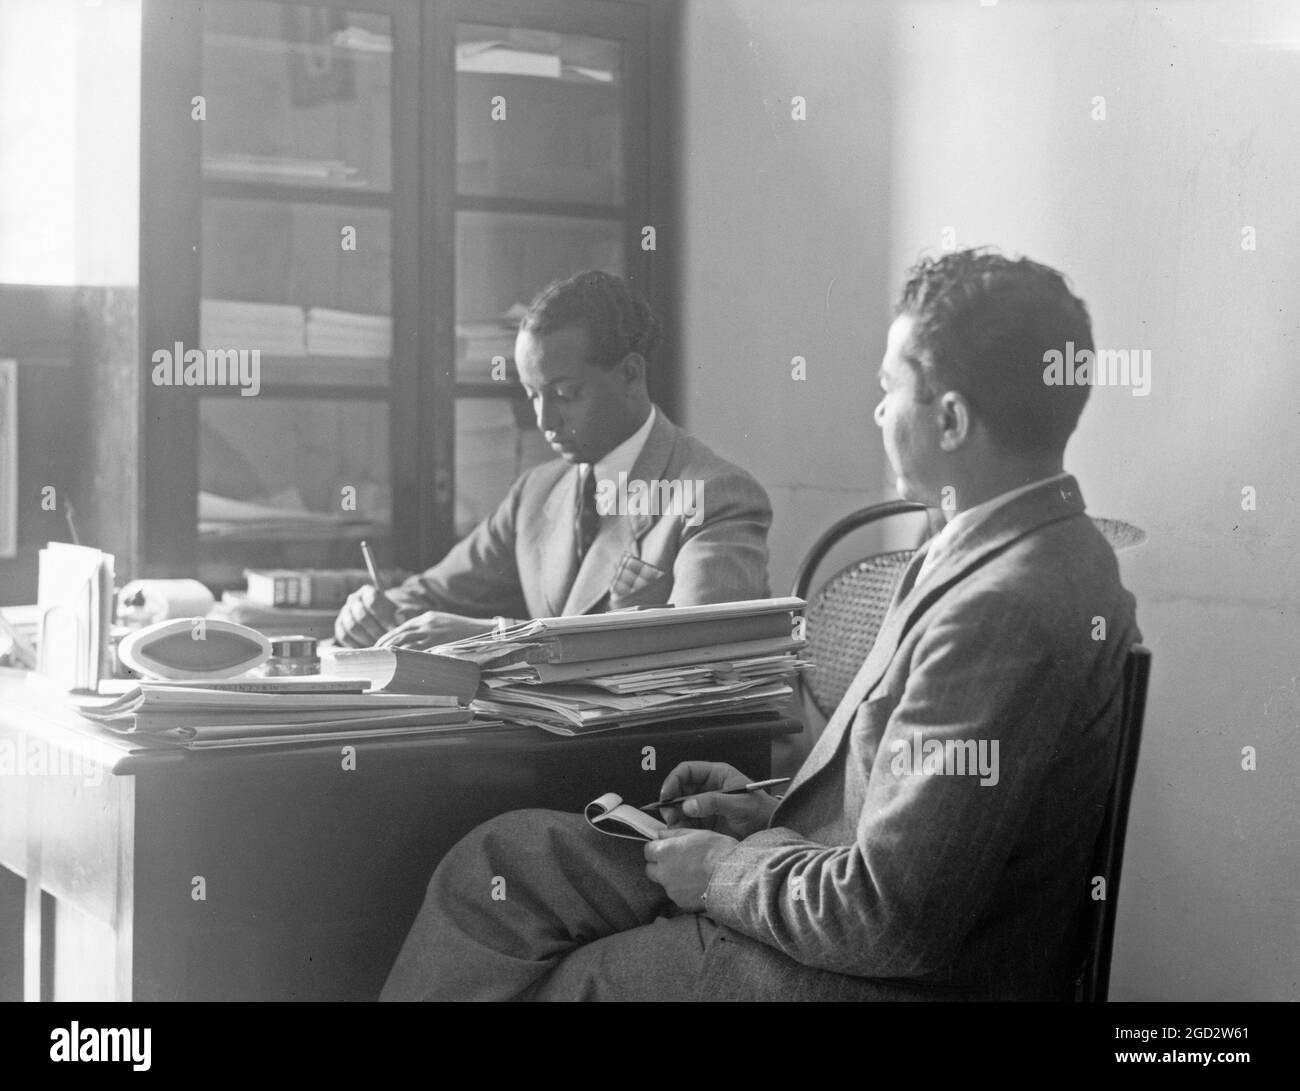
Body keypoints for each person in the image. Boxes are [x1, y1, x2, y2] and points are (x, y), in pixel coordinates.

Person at [379, 249, 1141, 1001]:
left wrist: (719, 872)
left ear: (950, 419)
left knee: (567, 972)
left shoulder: (1002, 608)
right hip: (823, 892)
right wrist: (772, 808)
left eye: (888, 389)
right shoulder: (1029, 546)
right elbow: (918, 821)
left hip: (869, 975)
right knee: (499, 863)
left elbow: (895, 919)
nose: (877, 412)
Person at [334, 271, 772, 649]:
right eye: (532, 395)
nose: (544, 420)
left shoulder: (714, 495)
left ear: (631, 375)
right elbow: (432, 595)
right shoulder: (537, 492)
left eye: (565, 394)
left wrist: (496, 637)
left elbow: (699, 648)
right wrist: (376, 611)